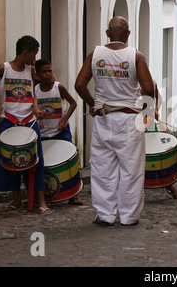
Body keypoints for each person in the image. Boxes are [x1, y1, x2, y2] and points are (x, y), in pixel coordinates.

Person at [75, 16, 154, 227]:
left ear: (107, 33)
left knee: (102, 168)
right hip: (129, 119)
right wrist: (147, 113)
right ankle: (128, 216)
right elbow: (148, 89)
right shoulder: (135, 56)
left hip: (103, 118)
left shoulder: (95, 54)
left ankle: (105, 215)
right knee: (131, 169)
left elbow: (79, 85)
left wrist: (93, 104)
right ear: (128, 34)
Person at [0, 35, 51, 215]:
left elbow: (32, 93)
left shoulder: (30, 70)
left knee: (37, 161)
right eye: (34, 55)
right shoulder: (3, 69)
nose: (35, 60)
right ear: (25, 52)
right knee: (10, 162)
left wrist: (35, 107)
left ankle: (42, 200)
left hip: (29, 121)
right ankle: (16, 200)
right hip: (10, 120)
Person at [34, 59, 82, 205]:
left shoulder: (58, 87)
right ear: (37, 75)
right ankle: (43, 193)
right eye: (44, 72)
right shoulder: (34, 91)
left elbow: (73, 103)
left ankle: (73, 194)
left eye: (50, 71)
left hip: (60, 132)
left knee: (70, 160)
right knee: (42, 165)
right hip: (43, 134)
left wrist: (64, 120)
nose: (48, 74)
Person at [145, 82, 177, 199]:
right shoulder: (127, 82)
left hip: (149, 120)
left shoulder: (150, 81)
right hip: (133, 122)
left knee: (159, 151)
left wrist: (156, 109)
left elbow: (158, 97)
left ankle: (168, 184)